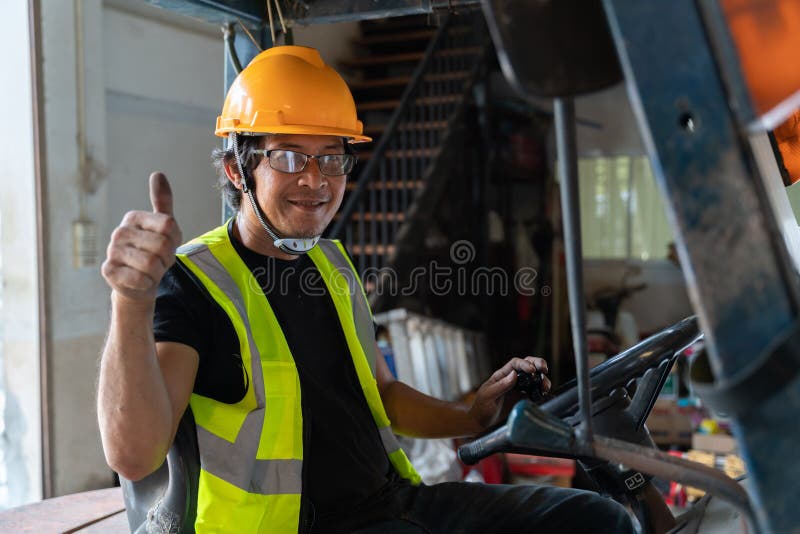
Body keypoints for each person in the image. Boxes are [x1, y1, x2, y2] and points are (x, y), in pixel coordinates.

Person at [97, 45, 633, 533]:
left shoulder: (330, 261)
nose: (316, 180)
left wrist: (471, 416)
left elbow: (383, 394)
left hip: (392, 504)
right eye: (288, 156)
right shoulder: (193, 284)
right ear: (239, 169)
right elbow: (135, 457)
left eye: (331, 157)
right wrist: (130, 301)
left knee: (594, 518)